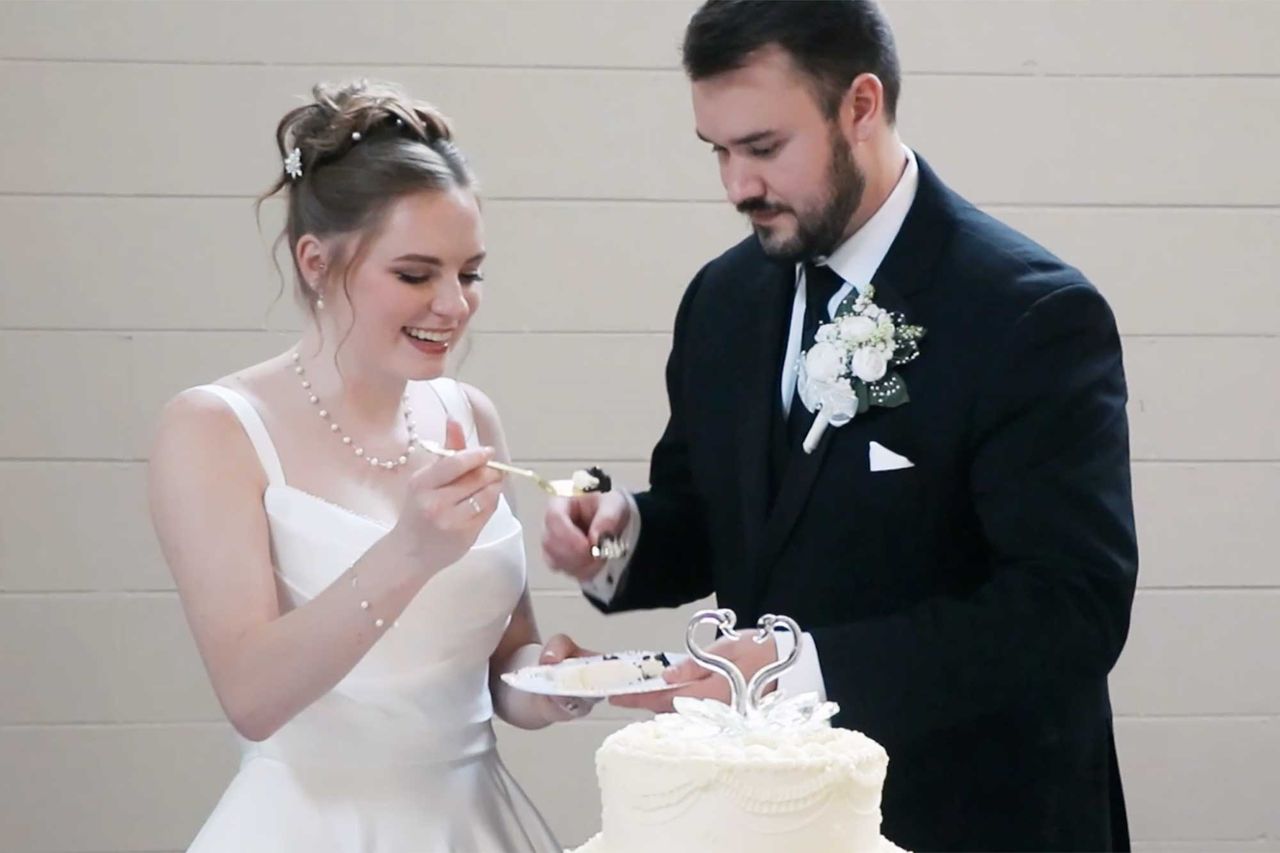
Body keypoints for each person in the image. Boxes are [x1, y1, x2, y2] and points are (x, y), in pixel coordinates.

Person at [542, 2, 1138, 850]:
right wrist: (621, 536)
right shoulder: (723, 298)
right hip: (771, 823)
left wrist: (792, 673)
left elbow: (1068, 610)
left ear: (860, 106)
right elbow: (720, 515)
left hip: (979, 817)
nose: (736, 186)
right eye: (717, 150)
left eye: (762, 148)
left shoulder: (1031, 315)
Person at [149, 79, 586, 852]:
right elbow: (250, 695)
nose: (453, 304)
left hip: (474, 823)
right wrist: (409, 553)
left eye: (470, 272)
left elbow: (500, 666)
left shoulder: (469, 414)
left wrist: (554, 684)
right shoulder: (215, 429)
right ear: (317, 262)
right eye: (417, 274)